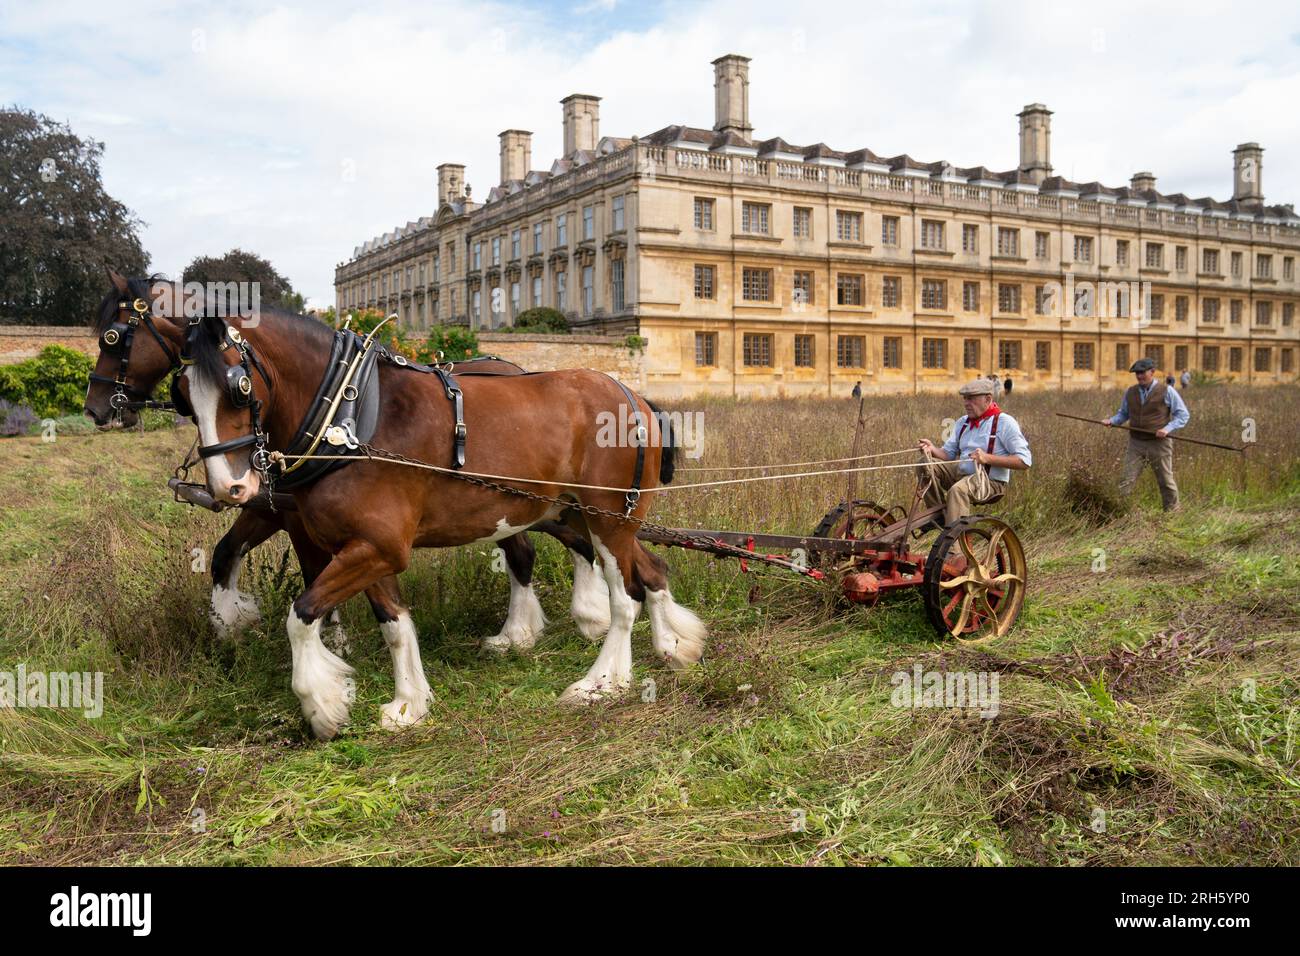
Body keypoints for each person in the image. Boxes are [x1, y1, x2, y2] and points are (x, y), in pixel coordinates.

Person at [916, 378, 1032, 527]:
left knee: (958, 490)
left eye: (971, 399)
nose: (966, 403)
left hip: (990, 482)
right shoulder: (963, 422)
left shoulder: (1004, 422)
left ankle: (955, 546)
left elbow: (1025, 461)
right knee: (924, 463)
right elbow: (948, 454)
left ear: (988, 399)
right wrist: (932, 449)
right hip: (961, 475)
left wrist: (987, 458)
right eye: (965, 398)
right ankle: (937, 515)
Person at [1104, 357, 1190, 512]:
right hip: (1136, 443)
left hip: (1159, 443)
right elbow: (1123, 414)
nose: (1139, 376)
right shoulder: (1130, 392)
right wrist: (1112, 421)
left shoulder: (1167, 391)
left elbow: (1183, 415)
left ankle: (1173, 514)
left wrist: (1167, 429)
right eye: (1137, 373)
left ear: (1152, 372)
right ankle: (1119, 512)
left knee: (1165, 481)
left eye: (1142, 372)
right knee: (1126, 480)